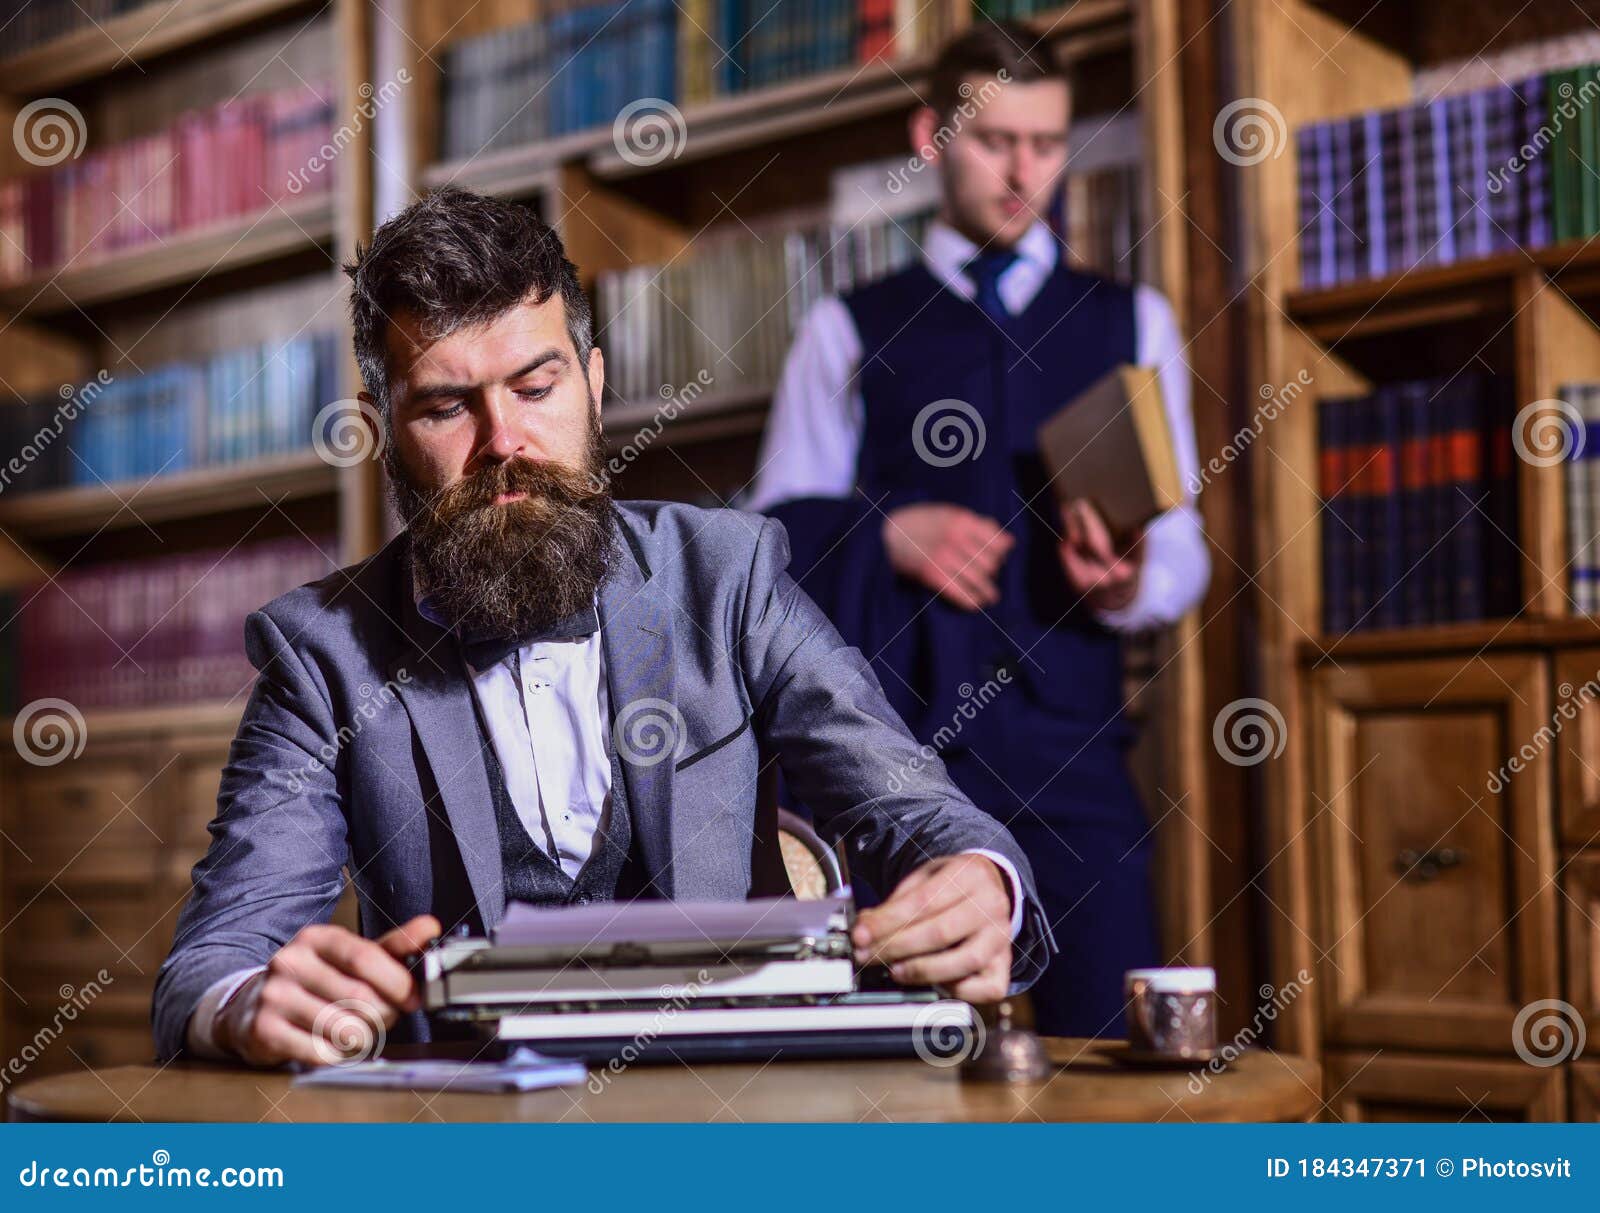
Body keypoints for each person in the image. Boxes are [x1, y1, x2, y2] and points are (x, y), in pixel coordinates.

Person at [151, 187, 1055, 1068]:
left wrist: (982, 880)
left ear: (592, 382)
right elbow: (215, 957)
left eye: (536, 386)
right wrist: (243, 1007)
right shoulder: (320, 654)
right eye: (444, 406)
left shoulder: (729, 578)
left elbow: (912, 805)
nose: (504, 439)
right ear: (381, 431)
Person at [746, 23, 1210, 1038]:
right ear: (931, 135)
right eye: (994, 139)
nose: (1022, 170)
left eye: (1045, 143)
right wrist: (887, 530)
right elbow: (764, 547)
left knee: (1115, 1072)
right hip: (897, 772)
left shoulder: (1131, 320)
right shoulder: (848, 324)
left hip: (1077, 764)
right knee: (898, 1081)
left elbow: (1182, 556)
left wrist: (1126, 582)